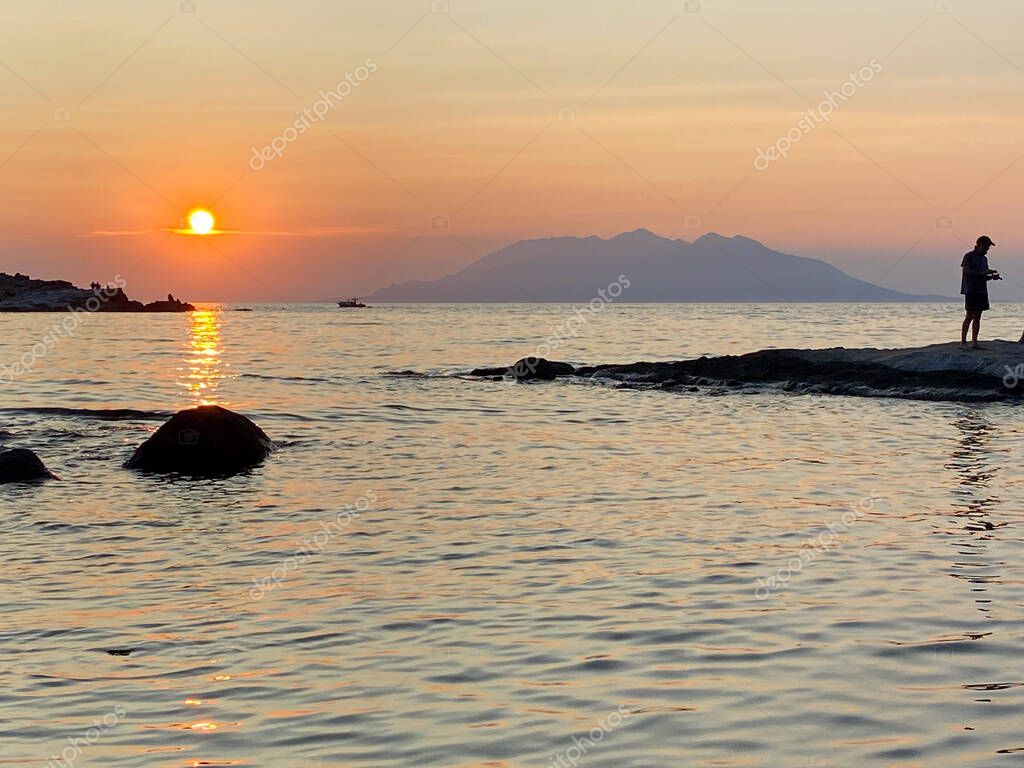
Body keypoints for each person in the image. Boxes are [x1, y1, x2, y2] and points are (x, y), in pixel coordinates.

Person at [960, 235, 1000, 350]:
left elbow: (984, 275)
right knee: (969, 316)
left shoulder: (984, 259)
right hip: (971, 290)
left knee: (978, 316)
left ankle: (974, 342)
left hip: (982, 291)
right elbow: (966, 271)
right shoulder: (968, 256)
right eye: (986, 247)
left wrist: (992, 277)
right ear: (980, 245)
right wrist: (982, 273)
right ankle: (963, 342)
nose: (987, 250)